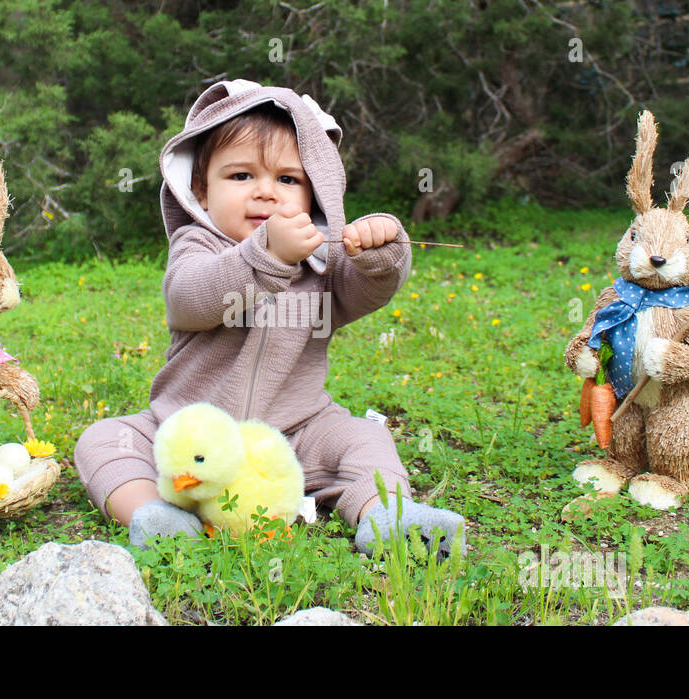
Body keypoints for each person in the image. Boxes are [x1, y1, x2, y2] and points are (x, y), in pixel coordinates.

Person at [73, 79, 465, 556]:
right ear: (201, 188)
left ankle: (387, 518)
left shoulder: (320, 261)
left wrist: (379, 255)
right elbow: (190, 300)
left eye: (287, 180)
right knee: (104, 440)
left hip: (294, 434)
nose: (265, 194)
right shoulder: (199, 246)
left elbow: (365, 293)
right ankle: (155, 515)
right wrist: (265, 256)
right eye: (241, 177)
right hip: (187, 432)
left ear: (315, 193)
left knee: (365, 439)